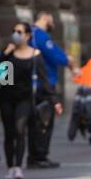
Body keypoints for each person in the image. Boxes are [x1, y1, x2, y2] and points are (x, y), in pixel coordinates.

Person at [0, 22, 50, 179]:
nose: (16, 34)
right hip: (6, 99)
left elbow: (44, 78)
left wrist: (54, 99)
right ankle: (10, 166)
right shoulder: (8, 52)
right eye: (14, 31)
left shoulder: (35, 54)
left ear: (28, 36)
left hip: (25, 99)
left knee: (20, 130)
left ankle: (18, 166)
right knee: (9, 133)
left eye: (19, 32)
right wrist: (5, 54)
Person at [28, 11, 69, 168]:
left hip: (29, 84)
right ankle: (40, 156)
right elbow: (57, 57)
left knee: (33, 122)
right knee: (44, 122)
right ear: (44, 17)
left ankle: (33, 155)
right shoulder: (42, 36)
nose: (53, 22)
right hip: (44, 85)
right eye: (51, 19)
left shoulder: (27, 34)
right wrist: (68, 60)